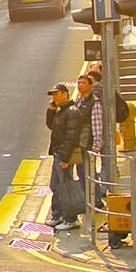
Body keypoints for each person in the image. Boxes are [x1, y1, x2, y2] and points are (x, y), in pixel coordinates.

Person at [46, 83, 82, 231]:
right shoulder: (61, 111)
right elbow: (51, 125)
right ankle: (57, 215)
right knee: (55, 185)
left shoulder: (72, 112)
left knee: (65, 186)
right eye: (53, 95)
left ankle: (71, 218)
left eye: (56, 94)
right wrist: (51, 109)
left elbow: (71, 138)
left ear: (66, 94)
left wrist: (66, 159)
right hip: (57, 153)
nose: (54, 97)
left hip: (63, 155)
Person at [75, 75, 104, 190]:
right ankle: (88, 199)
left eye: (83, 83)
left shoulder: (94, 103)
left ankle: (96, 201)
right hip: (79, 144)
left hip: (88, 145)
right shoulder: (79, 101)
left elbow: (97, 123)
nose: (80, 85)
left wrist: (97, 144)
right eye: (79, 83)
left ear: (90, 86)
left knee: (89, 173)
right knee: (81, 173)